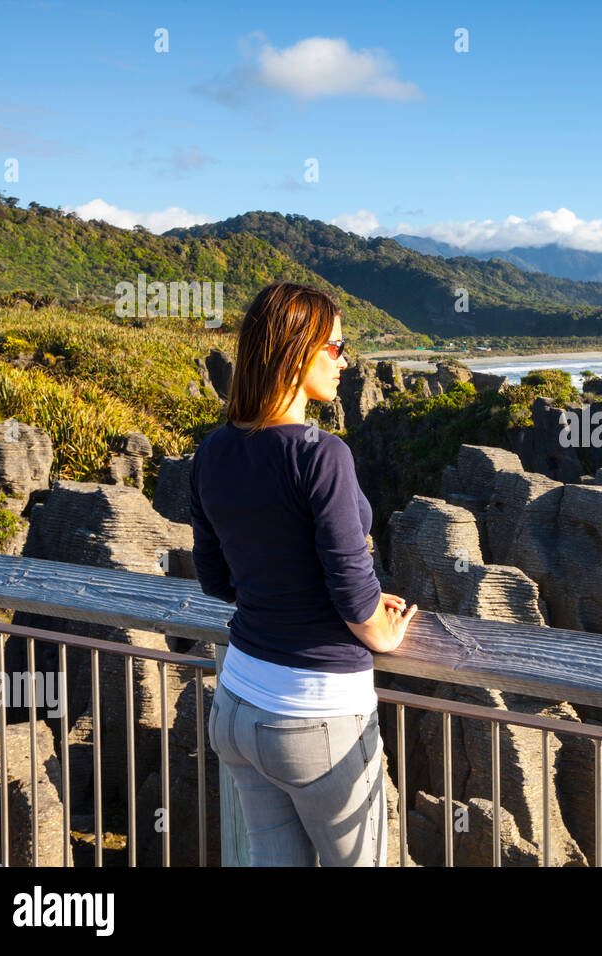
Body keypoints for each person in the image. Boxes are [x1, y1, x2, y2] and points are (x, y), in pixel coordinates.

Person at [189, 280, 418, 866]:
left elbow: (216, 579)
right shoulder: (322, 454)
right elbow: (348, 578)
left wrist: (297, 590)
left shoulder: (213, 450)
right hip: (315, 714)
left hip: (238, 703)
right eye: (336, 348)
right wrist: (378, 625)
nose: (345, 361)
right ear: (297, 350)